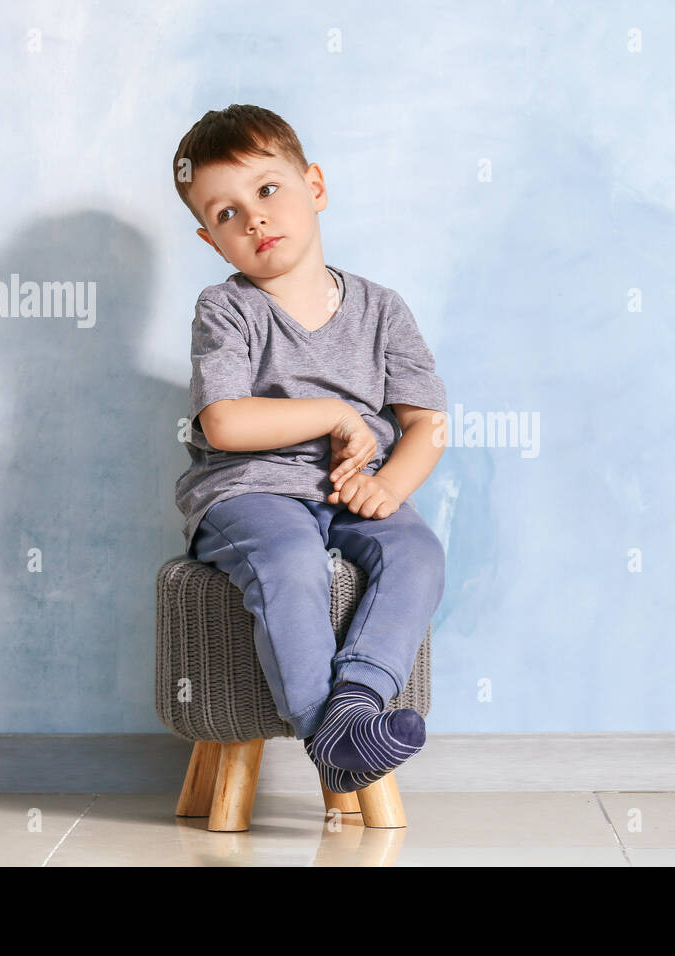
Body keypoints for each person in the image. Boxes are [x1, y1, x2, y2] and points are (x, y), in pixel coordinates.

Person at [171, 104, 448, 793]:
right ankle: (326, 733)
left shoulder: (381, 309)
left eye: (267, 190)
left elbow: (427, 424)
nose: (255, 218)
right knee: (293, 561)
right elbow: (227, 426)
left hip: (353, 489)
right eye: (227, 213)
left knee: (417, 552)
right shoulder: (226, 309)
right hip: (250, 492)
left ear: (314, 187)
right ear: (212, 241)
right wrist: (333, 412)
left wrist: (390, 488)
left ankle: (353, 708)